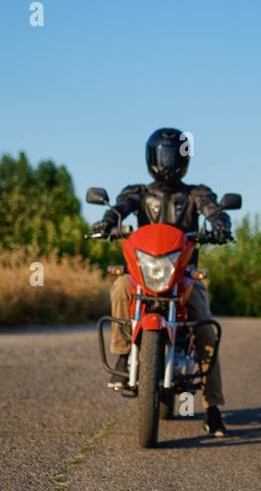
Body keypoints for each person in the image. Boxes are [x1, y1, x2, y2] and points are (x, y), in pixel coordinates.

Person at [92, 127, 233, 437]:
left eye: (174, 156)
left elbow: (213, 210)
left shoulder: (196, 193)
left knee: (206, 328)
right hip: (145, 274)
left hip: (182, 277)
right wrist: (107, 221)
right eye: (163, 156)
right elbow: (120, 209)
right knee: (120, 286)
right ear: (151, 157)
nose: (168, 163)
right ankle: (122, 353)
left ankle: (212, 407)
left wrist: (221, 224)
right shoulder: (138, 193)